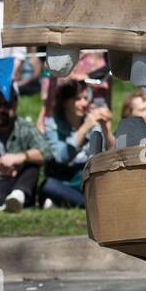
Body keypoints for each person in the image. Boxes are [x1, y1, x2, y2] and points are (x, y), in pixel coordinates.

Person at [41, 80, 114, 208]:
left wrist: (105, 128)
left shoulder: (92, 122)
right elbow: (61, 157)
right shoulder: (52, 124)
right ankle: (89, 204)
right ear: (64, 102)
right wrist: (84, 128)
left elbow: (109, 154)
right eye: (78, 99)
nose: (84, 103)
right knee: (48, 185)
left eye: (86, 98)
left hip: (86, 178)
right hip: (64, 178)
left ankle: (65, 201)